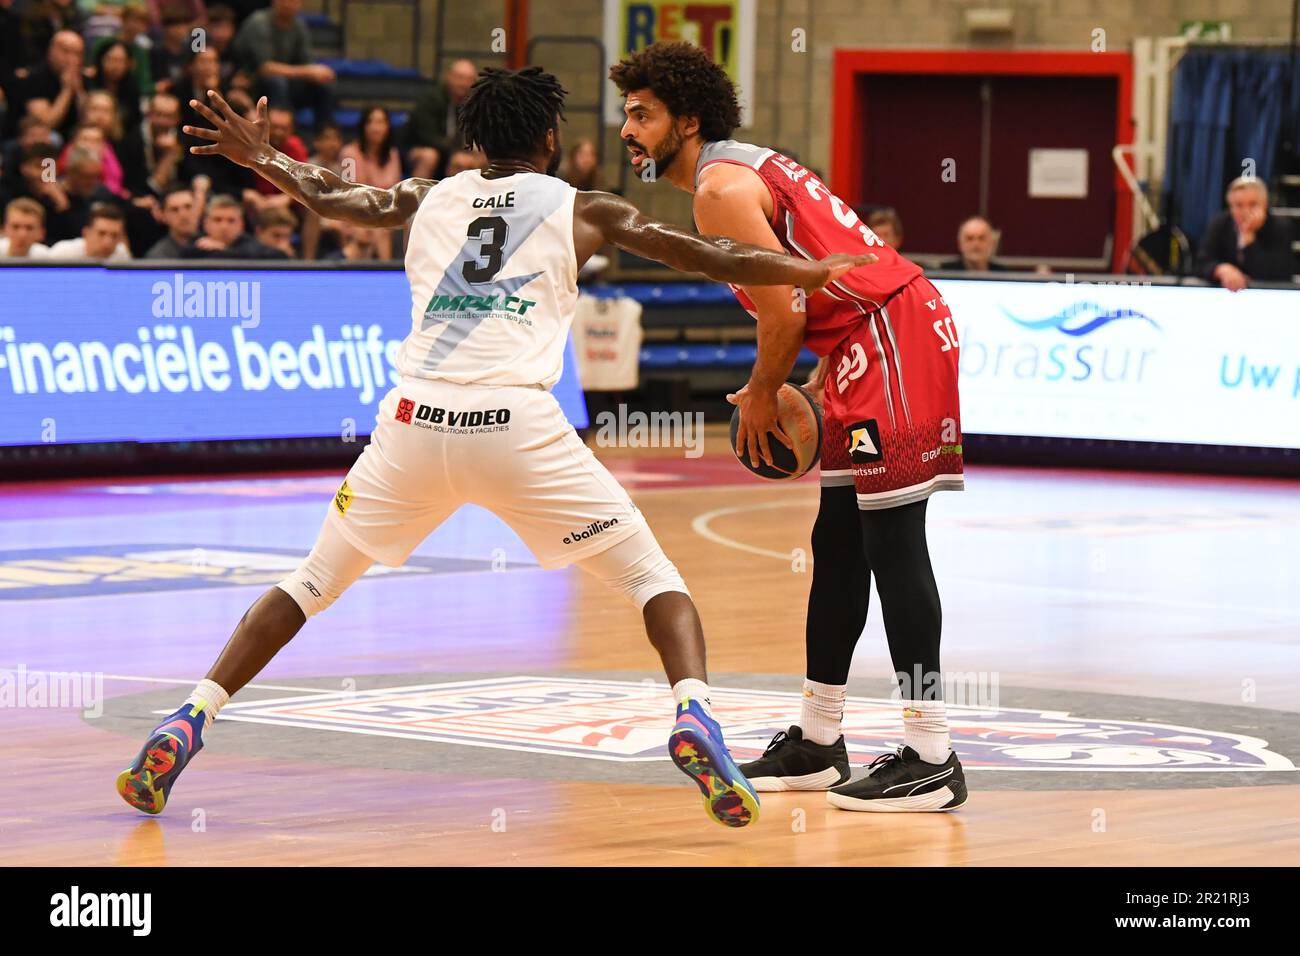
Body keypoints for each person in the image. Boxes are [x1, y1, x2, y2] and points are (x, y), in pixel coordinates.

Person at [115, 67, 871, 829]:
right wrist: (804, 268)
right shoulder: (584, 207)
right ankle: (694, 715)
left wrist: (261, 156)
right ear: (549, 136)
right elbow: (706, 254)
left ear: (474, 138)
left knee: (310, 582)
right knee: (651, 578)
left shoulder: (426, 195)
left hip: (415, 421)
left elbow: (334, 197)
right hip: (516, 425)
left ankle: (191, 715)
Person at [610, 41, 967, 812]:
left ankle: (933, 755)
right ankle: (818, 741)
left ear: (688, 121)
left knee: (894, 543)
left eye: (643, 114)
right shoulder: (744, 170)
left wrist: (763, 392)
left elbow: (786, 309)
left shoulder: (720, 189)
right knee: (837, 543)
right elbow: (817, 285)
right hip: (860, 340)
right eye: (626, 115)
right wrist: (805, 378)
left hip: (891, 333)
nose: (628, 130)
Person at [231, 0, 334, 125]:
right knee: (277, 82)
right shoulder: (259, 22)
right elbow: (266, 68)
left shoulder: (298, 25)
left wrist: (316, 73)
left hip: (286, 82)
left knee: (322, 87)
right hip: (252, 82)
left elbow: (306, 62)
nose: (288, 4)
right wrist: (308, 71)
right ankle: (278, 129)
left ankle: (326, 133)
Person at [1197, 176, 1296, 290]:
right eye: (1239, 205)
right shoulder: (1220, 223)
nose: (1246, 211)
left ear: (1265, 205)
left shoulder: (1280, 227)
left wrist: (1249, 240)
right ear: (1231, 207)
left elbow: (1280, 273)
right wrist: (1221, 270)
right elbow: (1201, 263)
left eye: (1253, 204)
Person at [404, 57, 476, 179]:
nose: (463, 84)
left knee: (479, 157)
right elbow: (428, 137)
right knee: (430, 156)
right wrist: (455, 152)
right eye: (460, 78)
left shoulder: (472, 104)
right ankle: (416, 191)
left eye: (469, 80)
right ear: (449, 77)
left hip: (450, 151)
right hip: (418, 148)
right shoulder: (430, 99)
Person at [178, 190, 284, 257]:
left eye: (231, 220)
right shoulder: (196, 244)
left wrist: (222, 249)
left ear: (241, 225)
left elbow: (278, 256)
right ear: (206, 224)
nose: (224, 226)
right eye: (217, 220)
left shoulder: (251, 246)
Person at [45, 199, 132, 259]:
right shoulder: (63, 253)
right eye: (101, 233)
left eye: (115, 235)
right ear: (86, 233)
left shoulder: (121, 255)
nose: (107, 242)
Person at [143, 182, 199, 256]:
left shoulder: (212, 245)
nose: (183, 215)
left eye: (188, 207)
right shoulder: (157, 257)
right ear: (164, 216)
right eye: (174, 210)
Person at [938, 214, 1010, 272]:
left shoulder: (1004, 275)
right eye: (969, 238)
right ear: (959, 243)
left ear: (992, 243)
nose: (975, 244)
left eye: (981, 238)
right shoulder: (943, 273)